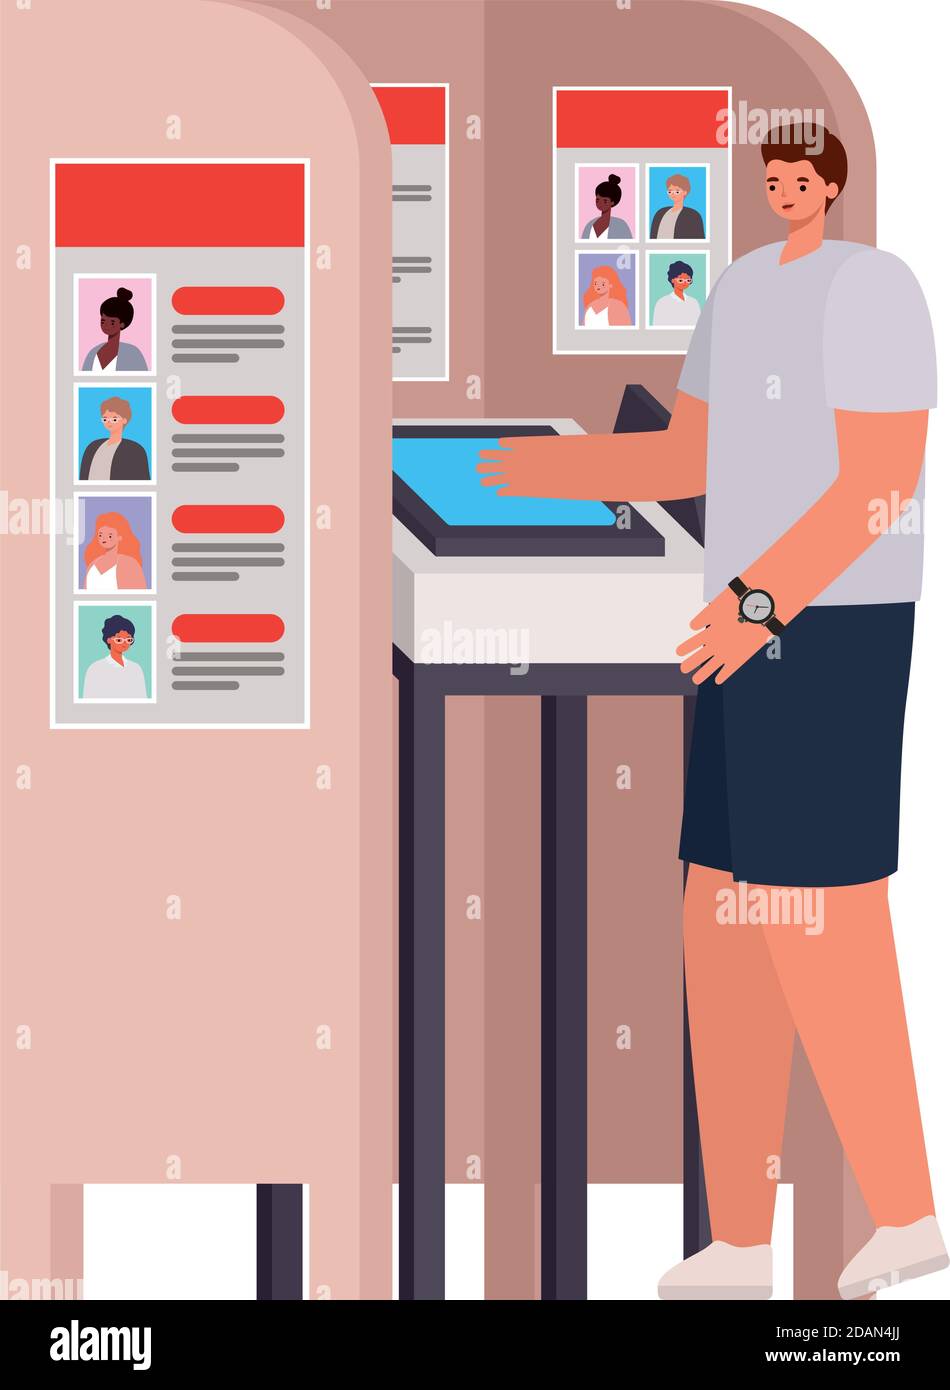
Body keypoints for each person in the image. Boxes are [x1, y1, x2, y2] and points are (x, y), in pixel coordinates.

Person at [478, 124, 947, 1301]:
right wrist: (523, 468)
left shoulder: (876, 292)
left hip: (830, 625)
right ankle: (741, 1238)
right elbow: (682, 451)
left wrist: (758, 596)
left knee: (820, 916)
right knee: (719, 914)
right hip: (739, 634)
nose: (783, 190)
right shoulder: (735, 292)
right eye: (770, 177)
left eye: (801, 177)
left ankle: (903, 1211)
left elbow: (880, 484)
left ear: (831, 187)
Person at [79, 398, 150, 482]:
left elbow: (142, 480)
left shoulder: (135, 450)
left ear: (124, 419)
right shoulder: (92, 447)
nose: (109, 422)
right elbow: (83, 476)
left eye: (114, 419)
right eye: (105, 419)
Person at [81, 286, 148, 372]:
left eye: (112, 322)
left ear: (122, 324)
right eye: (103, 320)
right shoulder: (93, 352)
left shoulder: (133, 354)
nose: (106, 325)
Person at [81, 614, 148, 699]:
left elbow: (142, 698)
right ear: (108, 640)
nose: (124, 643)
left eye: (128, 639)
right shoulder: (95, 669)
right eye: (119, 640)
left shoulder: (136, 668)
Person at [83, 511, 148, 591]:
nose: (104, 538)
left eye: (109, 535)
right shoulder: (92, 565)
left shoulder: (129, 564)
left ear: (120, 537)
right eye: (100, 535)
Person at [650, 172, 706, 239]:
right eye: (670, 191)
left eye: (677, 191)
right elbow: (653, 236)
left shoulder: (693, 216)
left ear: (685, 192)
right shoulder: (660, 213)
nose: (673, 194)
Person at [580, 173, 634, 241]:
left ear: (612, 202)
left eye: (605, 201)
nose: (600, 203)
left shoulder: (621, 226)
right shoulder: (590, 225)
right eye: (597, 199)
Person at [652, 259, 701, 327]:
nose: (685, 283)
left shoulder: (694, 302)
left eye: (688, 280)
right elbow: (657, 327)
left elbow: (699, 326)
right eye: (681, 280)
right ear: (672, 280)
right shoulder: (662, 303)